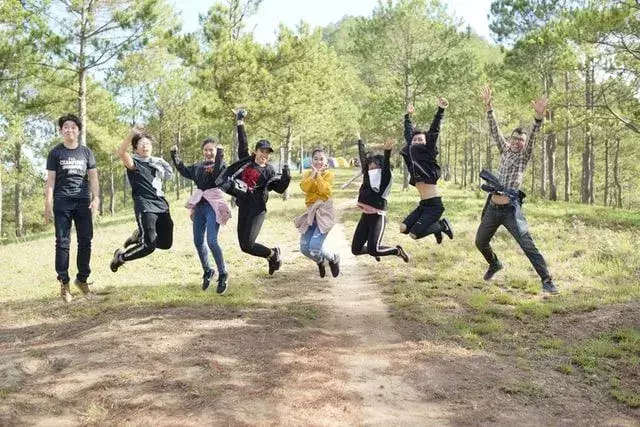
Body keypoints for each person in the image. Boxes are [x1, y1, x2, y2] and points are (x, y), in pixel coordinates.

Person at [475, 85, 559, 295]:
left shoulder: (523, 156)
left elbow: (533, 138)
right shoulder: (505, 149)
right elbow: (494, 130)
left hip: (510, 210)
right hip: (493, 207)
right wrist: (488, 108)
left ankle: (547, 280)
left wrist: (538, 118)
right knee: (480, 242)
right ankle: (494, 264)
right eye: (514, 138)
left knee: (527, 244)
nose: (517, 142)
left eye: (520, 140)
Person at [216, 109, 290, 275]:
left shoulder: (269, 171)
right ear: (255, 151)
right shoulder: (247, 161)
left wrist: (286, 177)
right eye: (262, 151)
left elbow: (279, 188)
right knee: (244, 247)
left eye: (267, 152)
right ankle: (271, 254)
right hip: (244, 206)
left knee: (249, 244)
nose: (264, 155)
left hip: (257, 210)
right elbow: (243, 142)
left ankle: (273, 254)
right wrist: (240, 121)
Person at [45, 114, 100, 302]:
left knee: (86, 241)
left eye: (73, 127)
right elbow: (51, 180)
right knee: (62, 242)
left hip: (83, 201)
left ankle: (82, 279)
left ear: (78, 130)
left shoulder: (86, 152)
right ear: (61, 130)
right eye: (66, 127)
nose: (69, 129)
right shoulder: (55, 153)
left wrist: (96, 198)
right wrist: (48, 202)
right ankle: (64, 283)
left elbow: (93, 177)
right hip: (62, 201)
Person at [170, 139, 231, 293]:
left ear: (216, 151)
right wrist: (174, 155)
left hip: (213, 206)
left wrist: (220, 156)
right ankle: (208, 270)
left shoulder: (221, 164)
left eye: (212, 150)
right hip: (200, 207)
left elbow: (218, 176)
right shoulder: (198, 166)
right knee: (198, 241)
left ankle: (223, 273)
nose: (208, 152)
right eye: (206, 150)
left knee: (211, 241)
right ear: (202, 151)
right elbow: (184, 170)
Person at [110, 128, 174, 272]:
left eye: (148, 144)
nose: (146, 146)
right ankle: (121, 257)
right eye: (142, 144)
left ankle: (139, 236)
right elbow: (121, 152)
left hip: (161, 204)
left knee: (166, 243)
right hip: (145, 205)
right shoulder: (134, 164)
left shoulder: (157, 163)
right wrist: (131, 134)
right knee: (149, 246)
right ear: (135, 149)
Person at [399, 99, 454, 243]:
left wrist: (440, 110)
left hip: (434, 205)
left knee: (414, 234)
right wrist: (407, 117)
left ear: (426, 143)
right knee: (403, 228)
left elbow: (434, 130)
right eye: (415, 140)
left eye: (421, 140)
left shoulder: (428, 152)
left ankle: (440, 226)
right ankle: (436, 228)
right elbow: (408, 134)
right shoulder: (412, 155)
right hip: (423, 204)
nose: (417, 142)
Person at [351, 136, 409, 262]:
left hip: (377, 217)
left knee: (374, 250)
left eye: (376, 167)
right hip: (365, 217)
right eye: (370, 168)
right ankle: (377, 249)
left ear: (381, 168)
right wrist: (360, 141)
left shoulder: (384, 180)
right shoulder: (368, 178)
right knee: (356, 250)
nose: (373, 170)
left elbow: (387, 167)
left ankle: (396, 251)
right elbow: (363, 159)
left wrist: (387, 152)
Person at [294, 147, 340, 278]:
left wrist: (318, 175)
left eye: (321, 159)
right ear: (311, 160)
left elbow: (325, 191)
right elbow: (304, 187)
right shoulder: (307, 174)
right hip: (311, 213)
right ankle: (320, 262)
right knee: (304, 248)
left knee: (314, 246)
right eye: (315, 159)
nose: (318, 162)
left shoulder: (329, 175)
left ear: (326, 161)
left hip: (324, 214)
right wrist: (313, 175)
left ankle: (333, 258)